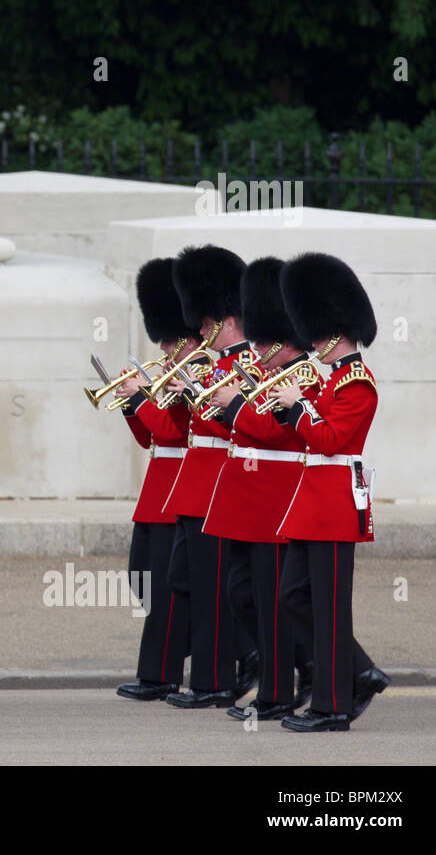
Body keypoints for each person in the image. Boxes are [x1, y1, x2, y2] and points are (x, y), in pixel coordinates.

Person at [271, 253, 390, 732]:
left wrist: (298, 407)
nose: (312, 342)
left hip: (338, 501)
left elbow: (329, 440)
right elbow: (306, 433)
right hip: (313, 503)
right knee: (293, 597)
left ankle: (333, 706)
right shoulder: (330, 380)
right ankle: (360, 671)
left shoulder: (357, 383)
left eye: (317, 334)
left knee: (328, 606)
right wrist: (288, 407)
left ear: (337, 332)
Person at [203, 257, 316, 720]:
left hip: (276, 501)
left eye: (268, 338)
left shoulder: (301, 373)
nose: (259, 346)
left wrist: (232, 407)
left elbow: (272, 431)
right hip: (247, 503)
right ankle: (298, 670)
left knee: (272, 602)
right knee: (243, 595)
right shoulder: (266, 373)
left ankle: (277, 693)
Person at [159, 245, 259, 709]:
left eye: (206, 322)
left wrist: (200, 393)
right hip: (197, 484)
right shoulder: (212, 365)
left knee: (214, 588)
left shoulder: (245, 368)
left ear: (227, 319)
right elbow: (182, 432)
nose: (200, 330)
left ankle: (214, 682)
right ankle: (243, 658)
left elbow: (244, 425)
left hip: (222, 484)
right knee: (187, 580)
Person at [113, 258, 194, 701]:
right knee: (143, 577)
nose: (165, 349)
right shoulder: (172, 375)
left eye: (171, 341)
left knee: (164, 587)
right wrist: (131, 404)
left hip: (180, 486)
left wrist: (144, 397)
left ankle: (160, 674)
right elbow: (149, 438)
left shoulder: (196, 377)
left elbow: (173, 431)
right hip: (157, 488)